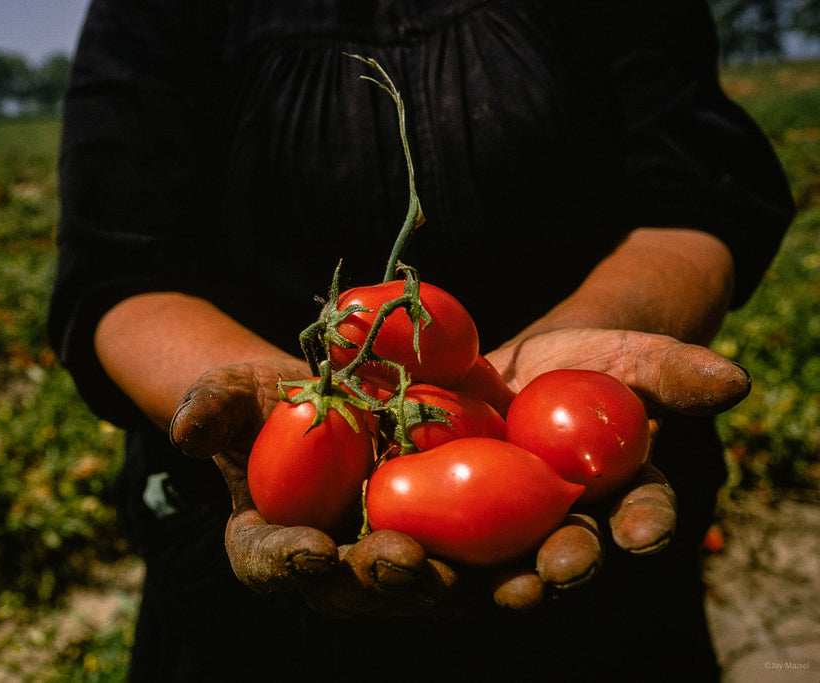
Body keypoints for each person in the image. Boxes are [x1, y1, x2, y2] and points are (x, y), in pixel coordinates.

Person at [49, 1, 795, 680]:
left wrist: (557, 359)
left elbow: (696, 191)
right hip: (241, 620)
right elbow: (119, 268)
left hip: (595, 612)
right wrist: (257, 401)